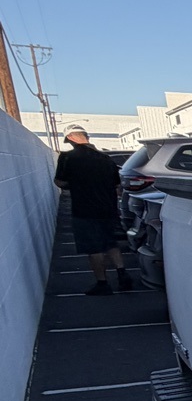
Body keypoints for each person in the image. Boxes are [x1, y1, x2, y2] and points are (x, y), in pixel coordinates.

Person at [54, 126, 132, 295]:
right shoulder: (106, 158)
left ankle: (102, 283)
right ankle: (122, 274)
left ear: (72, 139)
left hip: (84, 210)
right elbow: (117, 185)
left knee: (93, 247)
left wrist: (75, 185)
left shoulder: (68, 158)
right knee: (110, 242)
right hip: (108, 208)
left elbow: (60, 182)